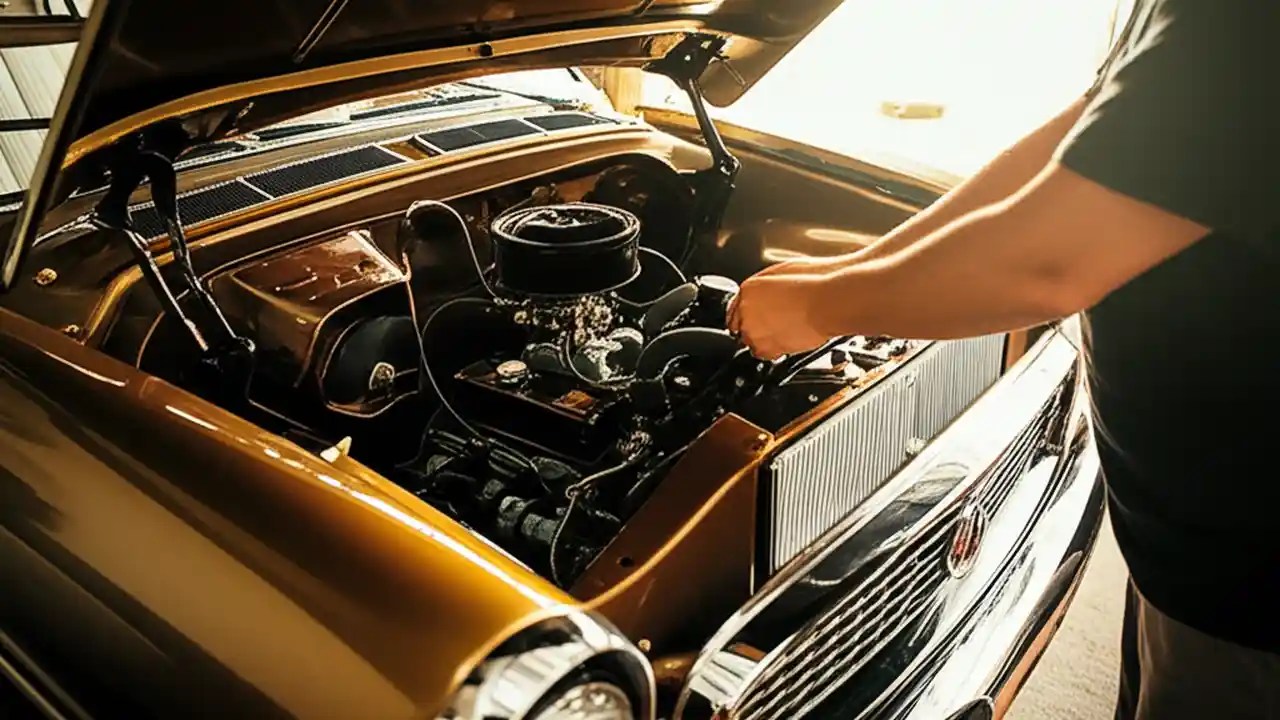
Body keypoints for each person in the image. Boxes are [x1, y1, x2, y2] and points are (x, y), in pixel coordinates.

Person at [728, 1, 1277, 718]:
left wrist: (825, 306)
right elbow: (1086, 141)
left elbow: (1049, 263)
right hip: (1195, 547)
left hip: (1255, 591)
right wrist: (854, 270)